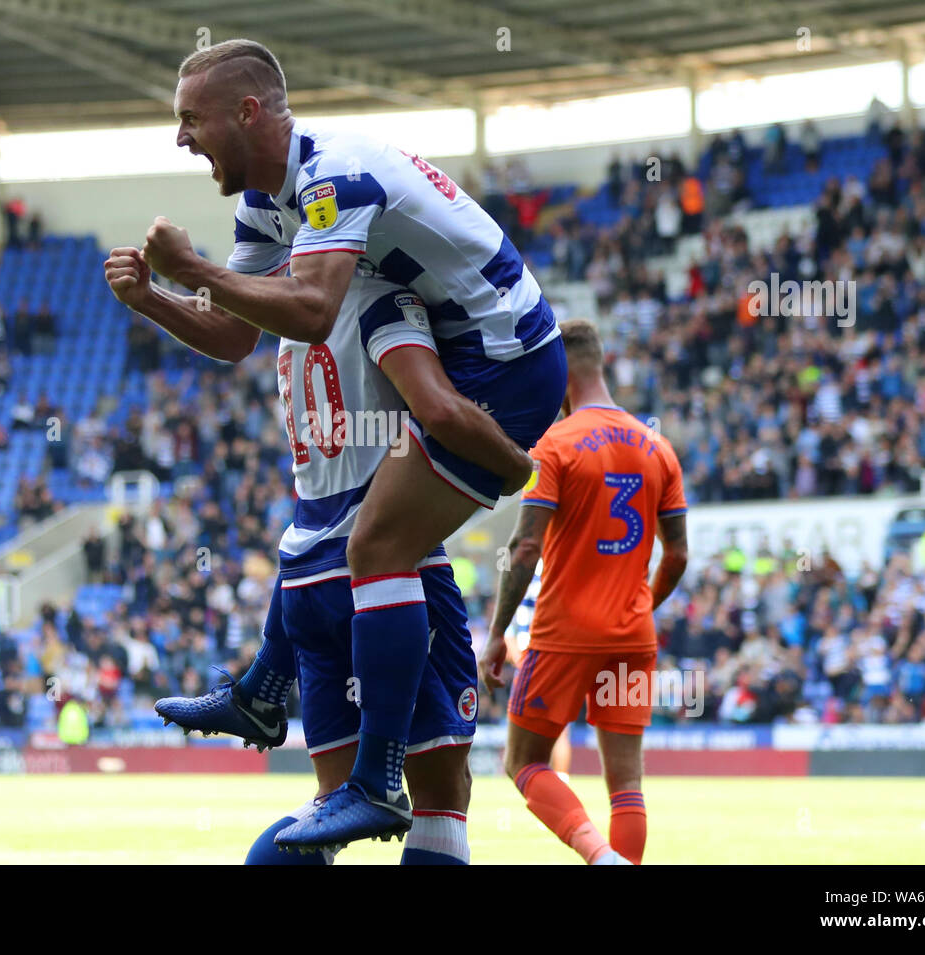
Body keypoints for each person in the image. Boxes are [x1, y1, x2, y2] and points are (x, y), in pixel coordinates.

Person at [109, 37, 565, 849]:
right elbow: (233, 336)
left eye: (190, 120)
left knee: (375, 542)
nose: (181, 138)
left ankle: (370, 775)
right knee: (344, 533)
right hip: (444, 353)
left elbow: (314, 309)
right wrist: (154, 298)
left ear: (247, 112)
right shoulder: (269, 201)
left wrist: (198, 267)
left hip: (506, 357)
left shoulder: (334, 175)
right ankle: (270, 693)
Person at [136, 267, 479, 863]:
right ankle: (261, 698)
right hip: (392, 578)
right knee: (440, 799)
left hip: (306, 575)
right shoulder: (380, 299)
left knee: (326, 801)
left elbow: (228, 337)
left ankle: (258, 693)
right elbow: (439, 410)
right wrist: (506, 454)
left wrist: (149, 295)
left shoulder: (290, 326)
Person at [481, 320, 689, 865]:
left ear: (561, 370)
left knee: (523, 761)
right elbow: (680, 555)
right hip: (632, 634)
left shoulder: (553, 445)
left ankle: (600, 857)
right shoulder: (658, 447)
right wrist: (643, 602)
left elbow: (525, 549)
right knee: (626, 785)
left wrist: (498, 633)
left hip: (564, 632)